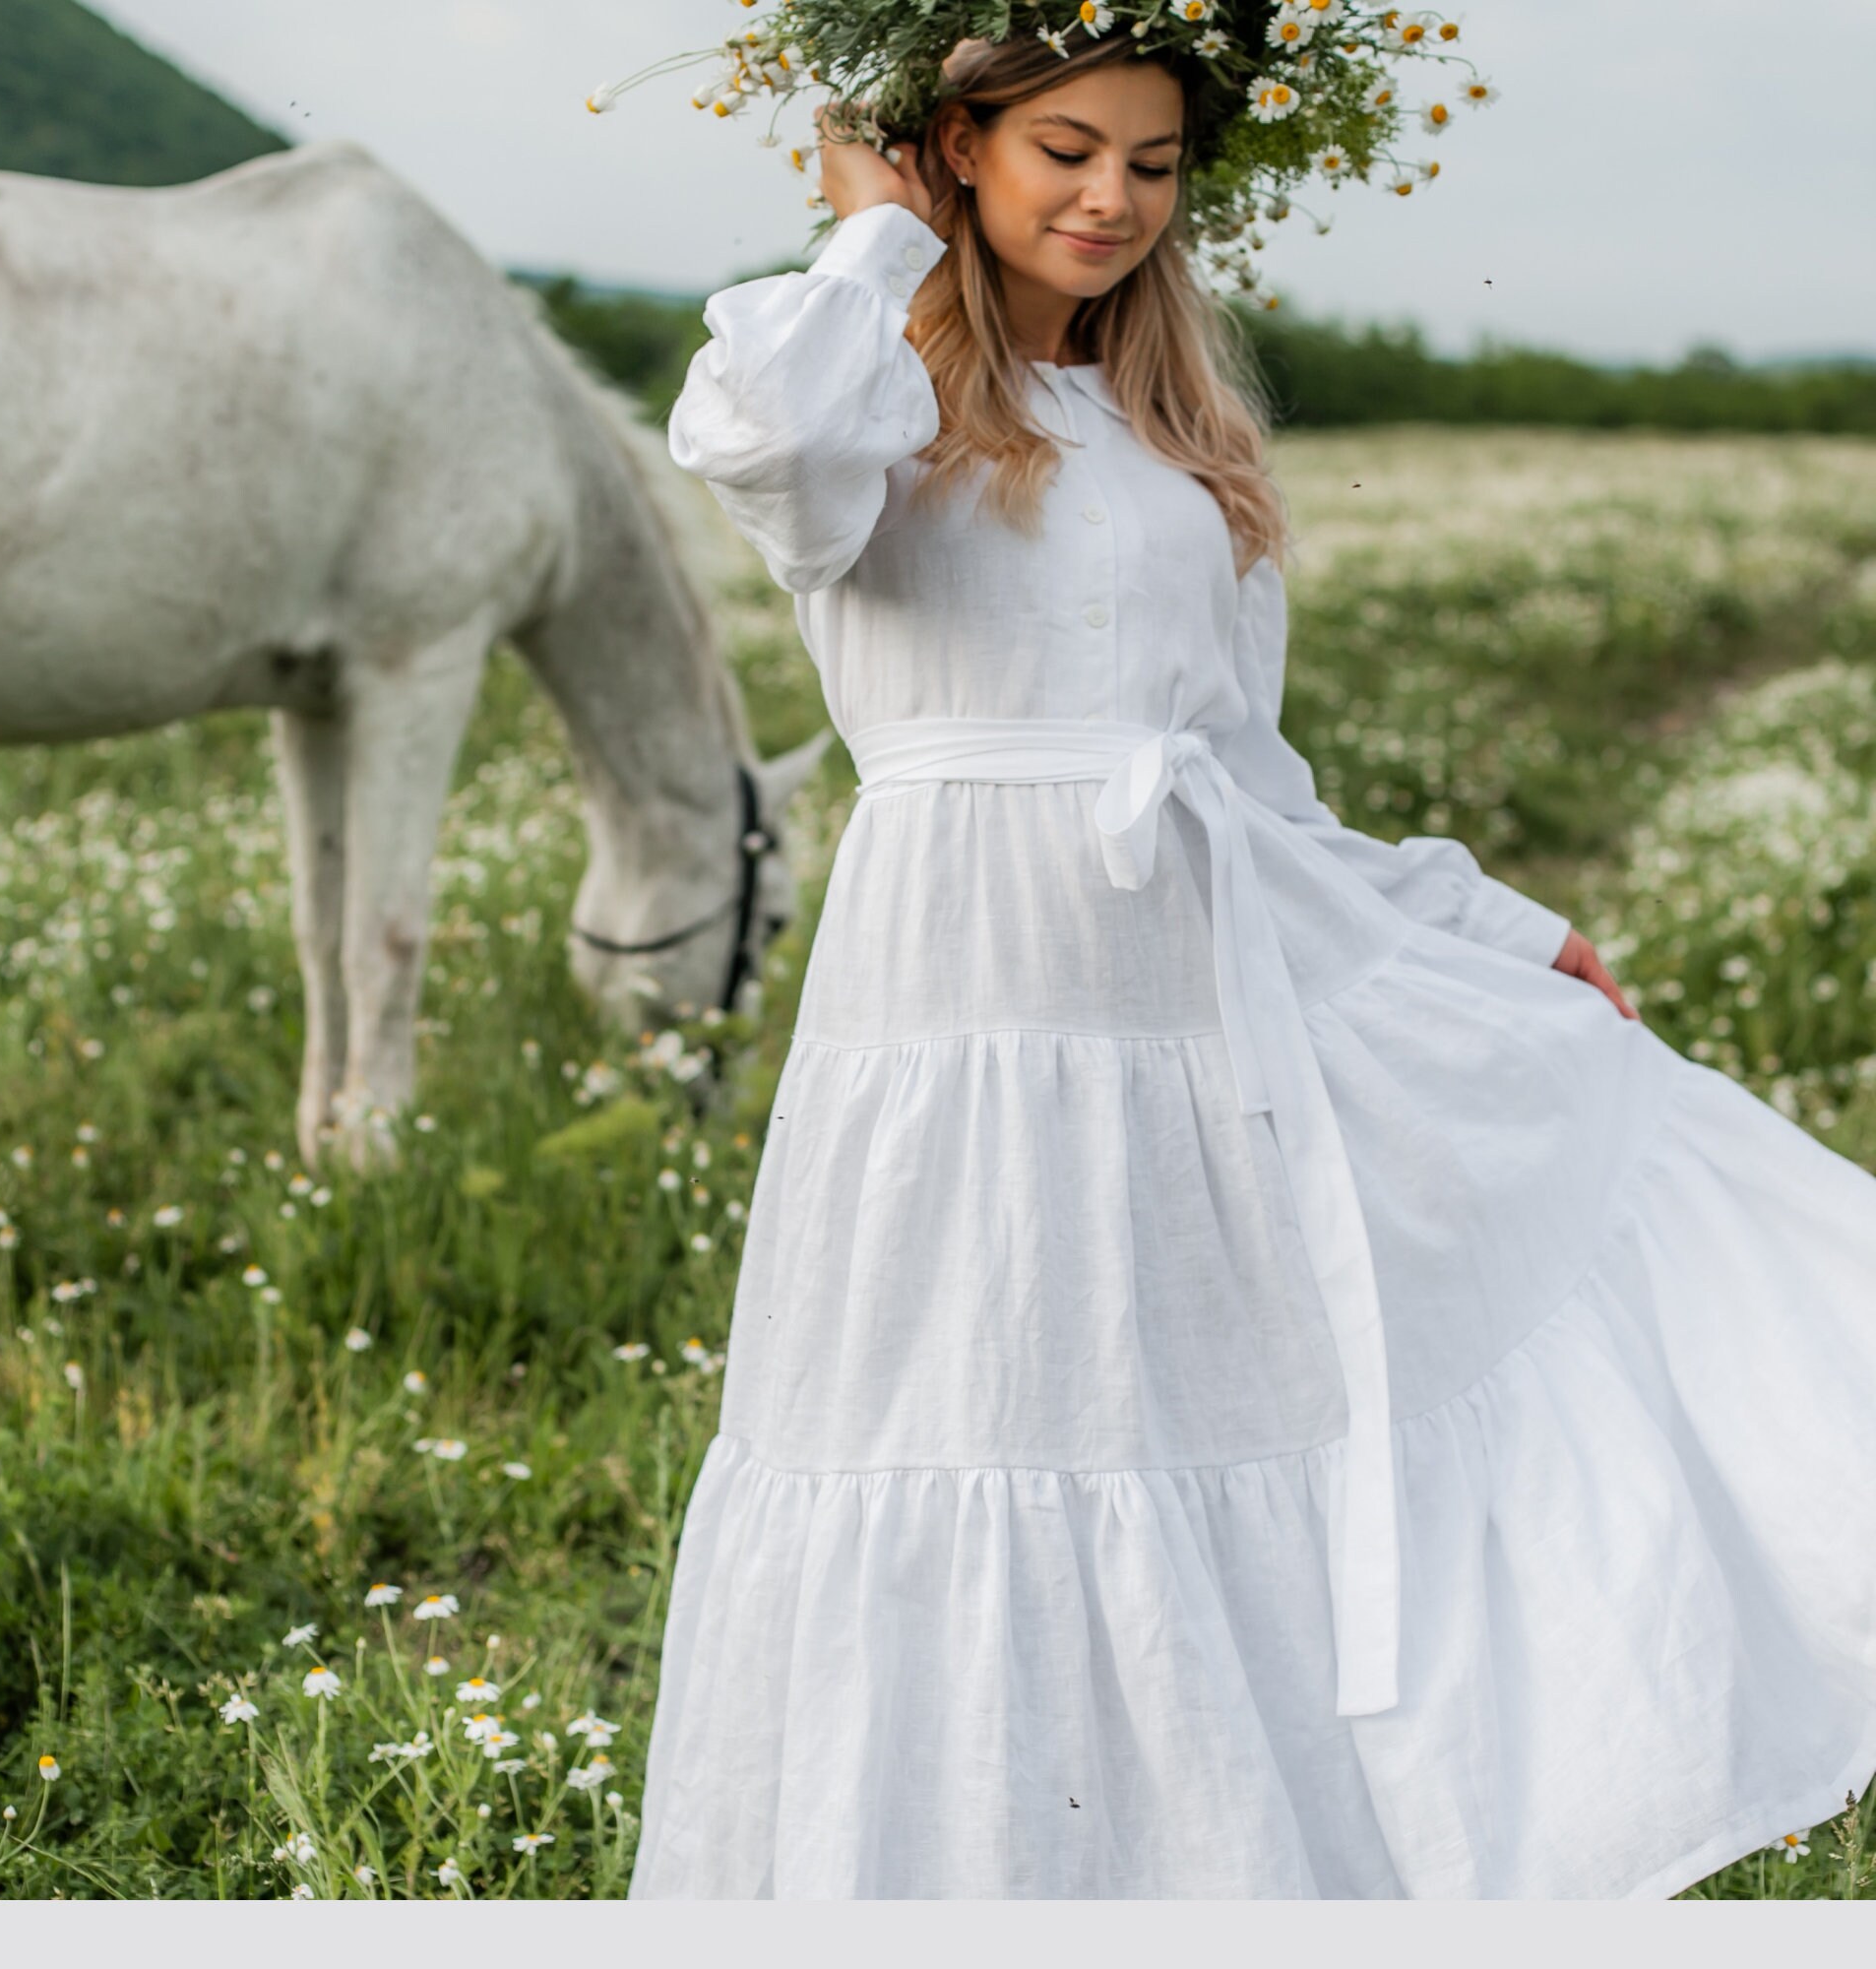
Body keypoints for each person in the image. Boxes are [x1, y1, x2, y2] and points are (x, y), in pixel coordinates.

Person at [625, 27, 1876, 1899]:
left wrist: (1499, 927)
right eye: (1063, 149)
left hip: (1187, 1013)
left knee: (1201, 1428)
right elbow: (759, 439)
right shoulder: (868, 392)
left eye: (1151, 162)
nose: (1112, 200)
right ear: (956, 144)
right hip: (959, 1006)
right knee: (960, 1429)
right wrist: (874, 235)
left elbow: (1250, 788)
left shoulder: (1170, 443)